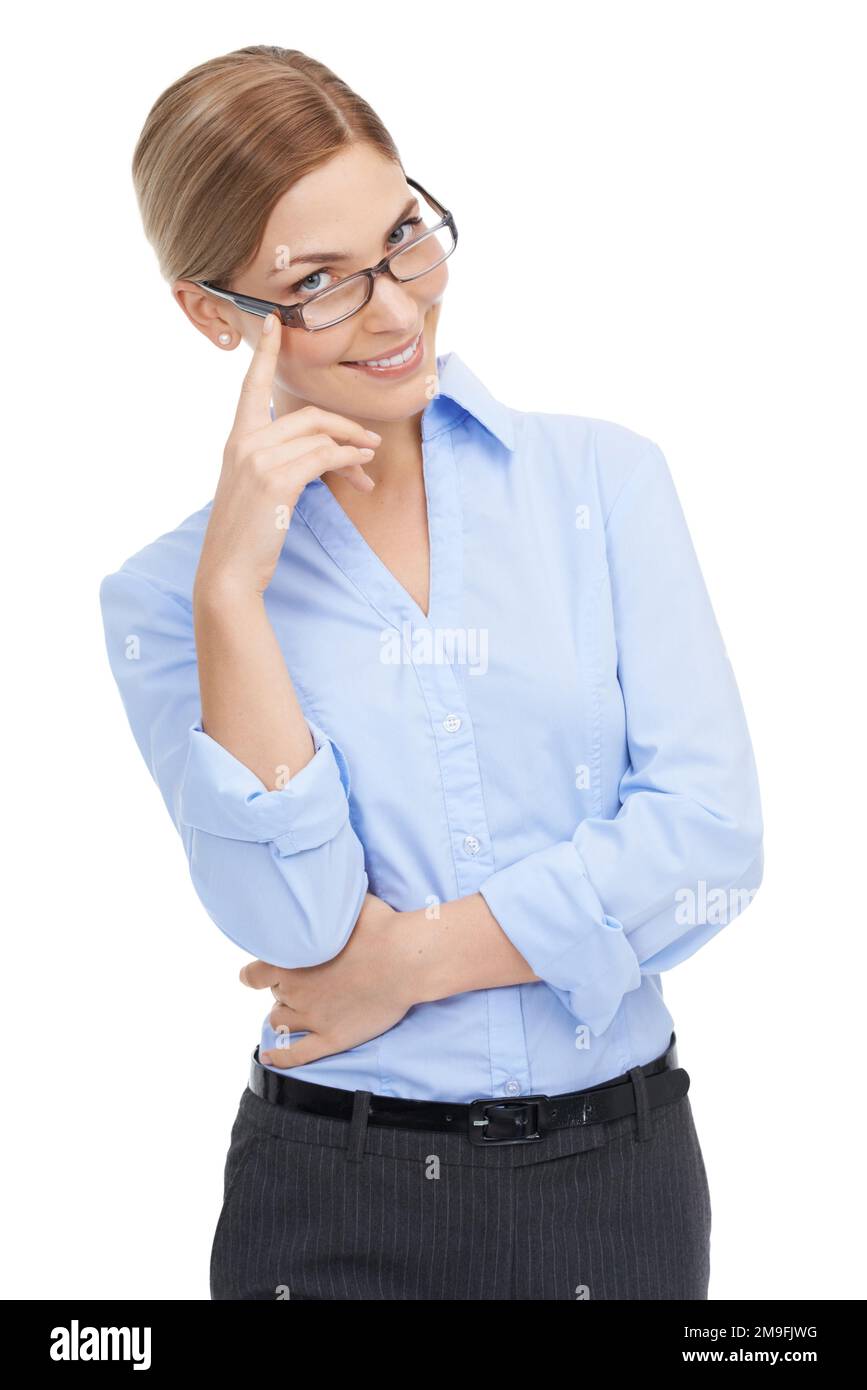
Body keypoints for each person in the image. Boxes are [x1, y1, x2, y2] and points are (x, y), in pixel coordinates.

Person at [99, 44, 764, 1301]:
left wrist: (404, 964)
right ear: (213, 313)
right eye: (320, 283)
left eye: (406, 237)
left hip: (616, 1181)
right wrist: (233, 594)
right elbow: (292, 928)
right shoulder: (167, 598)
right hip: (329, 1192)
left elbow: (711, 850)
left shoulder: (604, 486)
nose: (399, 309)